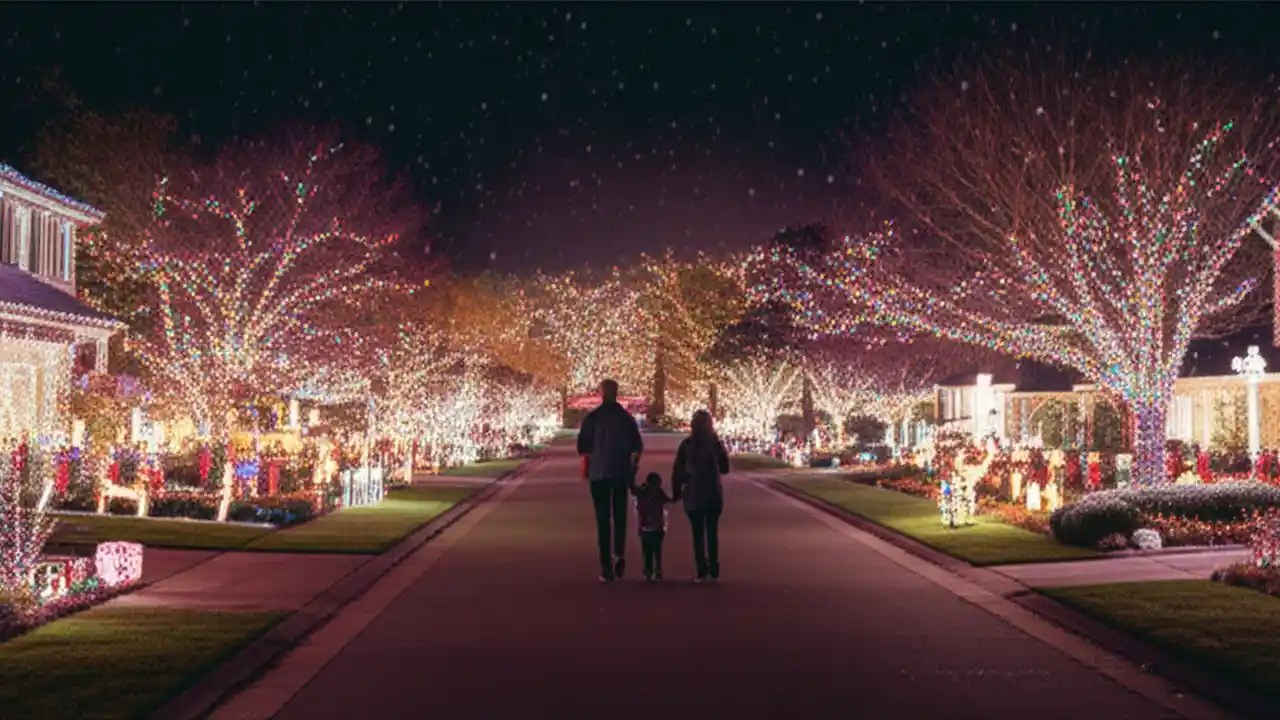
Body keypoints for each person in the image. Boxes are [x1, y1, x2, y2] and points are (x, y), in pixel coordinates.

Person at [577, 379, 644, 582]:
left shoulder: (594, 418)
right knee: (620, 516)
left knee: (603, 520)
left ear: (601, 393)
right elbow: (637, 446)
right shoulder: (626, 419)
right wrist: (632, 468)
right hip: (620, 472)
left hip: (599, 473)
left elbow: (583, 447)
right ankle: (619, 555)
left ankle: (606, 565)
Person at [672, 409, 730, 583]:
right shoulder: (715, 444)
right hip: (712, 493)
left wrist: (676, 491)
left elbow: (678, 471)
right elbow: (725, 468)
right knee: (712, 532)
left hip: (694, 493)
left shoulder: (687, 445)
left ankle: (701, 570)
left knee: (697, 533)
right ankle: (713, 568)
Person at [632, 471, 674, 581]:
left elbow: (633, 489)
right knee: (656, 551)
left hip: (646, 527)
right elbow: (669, 500)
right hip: (655, 527)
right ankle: (655, 570)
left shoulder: (642, 492)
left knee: (648, 551)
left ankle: (649, 571)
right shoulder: (658, 492)